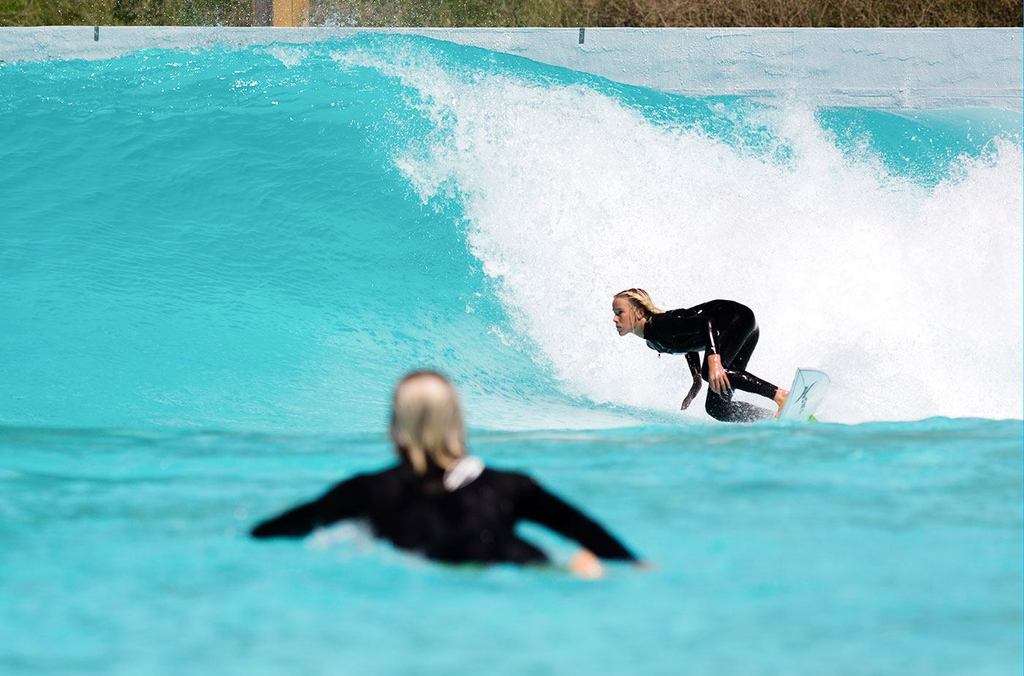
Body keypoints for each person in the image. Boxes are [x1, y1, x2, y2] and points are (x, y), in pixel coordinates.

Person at [251, 370, 640, 578]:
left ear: (395, 426)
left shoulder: (369, 492)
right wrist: (637, 565)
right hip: (521, 566)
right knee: (572, 568)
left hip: (435, 569)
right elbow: (583, 529)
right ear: (457, 421)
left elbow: (285, 527)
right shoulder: (509, 487)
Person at [612, 288, 788, 422]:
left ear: (639, 312)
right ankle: (769, 417)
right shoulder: (652, 340)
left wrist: (714, 360)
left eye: (620, 312)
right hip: (742, 325)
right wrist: (696, 379)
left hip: (736, 318)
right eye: (614, 313)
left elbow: (706, 322)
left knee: (710, 372)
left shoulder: (659, 325)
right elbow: (686, 344)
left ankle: (780, 396)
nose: (615, 319)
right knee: (716, 408)